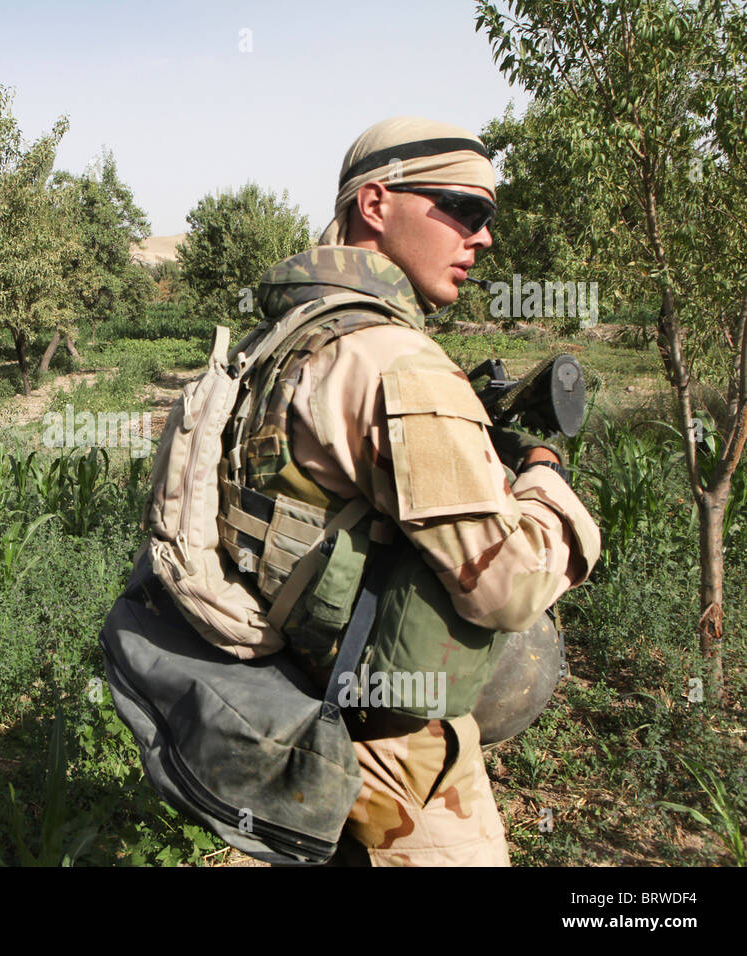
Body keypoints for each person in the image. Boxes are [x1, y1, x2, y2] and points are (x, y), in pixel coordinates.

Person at [239, 118, 600, 865]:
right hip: (388, 753)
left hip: (285, 705)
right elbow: (507, 586)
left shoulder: (287, 334)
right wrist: (542, 472)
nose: (484, 237)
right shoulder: (395, 362)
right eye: (463, 210)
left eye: (488, 218)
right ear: (376, 203)